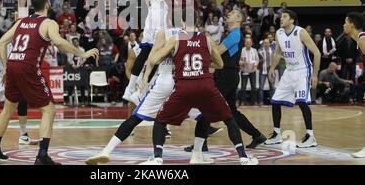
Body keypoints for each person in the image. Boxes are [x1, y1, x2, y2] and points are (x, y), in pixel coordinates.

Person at [0, 0, 98, 165]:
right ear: (47, 4)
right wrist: (82, 54)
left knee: (8, 109)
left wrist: (7, 66)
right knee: (49, 110)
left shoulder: (21, 22)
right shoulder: (48, 23)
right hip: (28, 67)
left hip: (13, 66)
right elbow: (60, 42)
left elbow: (1, 43)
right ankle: (42, 155)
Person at [139, 28, 258, 165]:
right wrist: (205, 63)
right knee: (228, 119)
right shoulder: (207, 40)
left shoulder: (176, 39)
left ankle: (157, 158)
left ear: (183, 23)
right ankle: (243, 157)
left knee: (160, 121)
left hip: (184, 88)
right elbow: (220, 64)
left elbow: (153, 59)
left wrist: (168, 54)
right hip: (205, 86)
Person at [85, 28, 184, 165]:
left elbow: (153, 59)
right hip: (185, 82)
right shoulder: (193, 36)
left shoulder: (164, 33)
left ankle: (106, 151)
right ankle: (197, 151)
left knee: (136, 118)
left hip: (164, 81)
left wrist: (144, 78)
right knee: (193, 114)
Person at [184, 9, 267, 152]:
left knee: (207, 106)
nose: (228, 14)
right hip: (229, 76)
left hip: (227, 77)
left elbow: (216, 51)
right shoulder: (232, 34)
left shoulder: (235, 35)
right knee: (232, 112)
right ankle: (257, 135)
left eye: (233, 13)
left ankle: (201, 144)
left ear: (239, 19)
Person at [265, 10, 321, 148]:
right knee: (275, 101)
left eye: (284, 17)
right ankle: (277, 134)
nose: (280, 18)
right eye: (281, 16)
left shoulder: (301, 32)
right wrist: (272, 68)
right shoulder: (279, 33)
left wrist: (315, 75)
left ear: (292, 20)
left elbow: (317, 53)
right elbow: (278, 52)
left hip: (303, 71)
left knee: (302, 102)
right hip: (289, 71)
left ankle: (310, 136)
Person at [342, 11, 365, 158]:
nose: (343, 25)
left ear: (351, 24)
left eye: (345, 22)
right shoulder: (359, 39)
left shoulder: (362, 39)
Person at [239, 38, 259, 105]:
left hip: (252, 70)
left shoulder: (254, 50)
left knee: (253, 86)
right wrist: (242, 63)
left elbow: (257, 60)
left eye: (249, 42)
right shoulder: (242, 50)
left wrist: (255, 65)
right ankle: (242, 101)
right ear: (245, 43)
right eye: (247, 43)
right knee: (243, 86)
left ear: (251, 43)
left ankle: (254, 101)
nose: (248, 44)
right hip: (244, 70)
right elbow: (238, 60)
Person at [258, 39, 276, 105]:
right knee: (261, 87)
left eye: (267, 43)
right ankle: (260, 101)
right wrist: (261, 60)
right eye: (265, 43)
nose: (266, 44)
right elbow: (257, 61)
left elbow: (275, 60)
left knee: (272, 86)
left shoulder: (273, 51)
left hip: (270, 69)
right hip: (263, 69)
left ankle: (272, 101)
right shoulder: (259, 51)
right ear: (263, 44)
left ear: (269, 44)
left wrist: (273, 68)